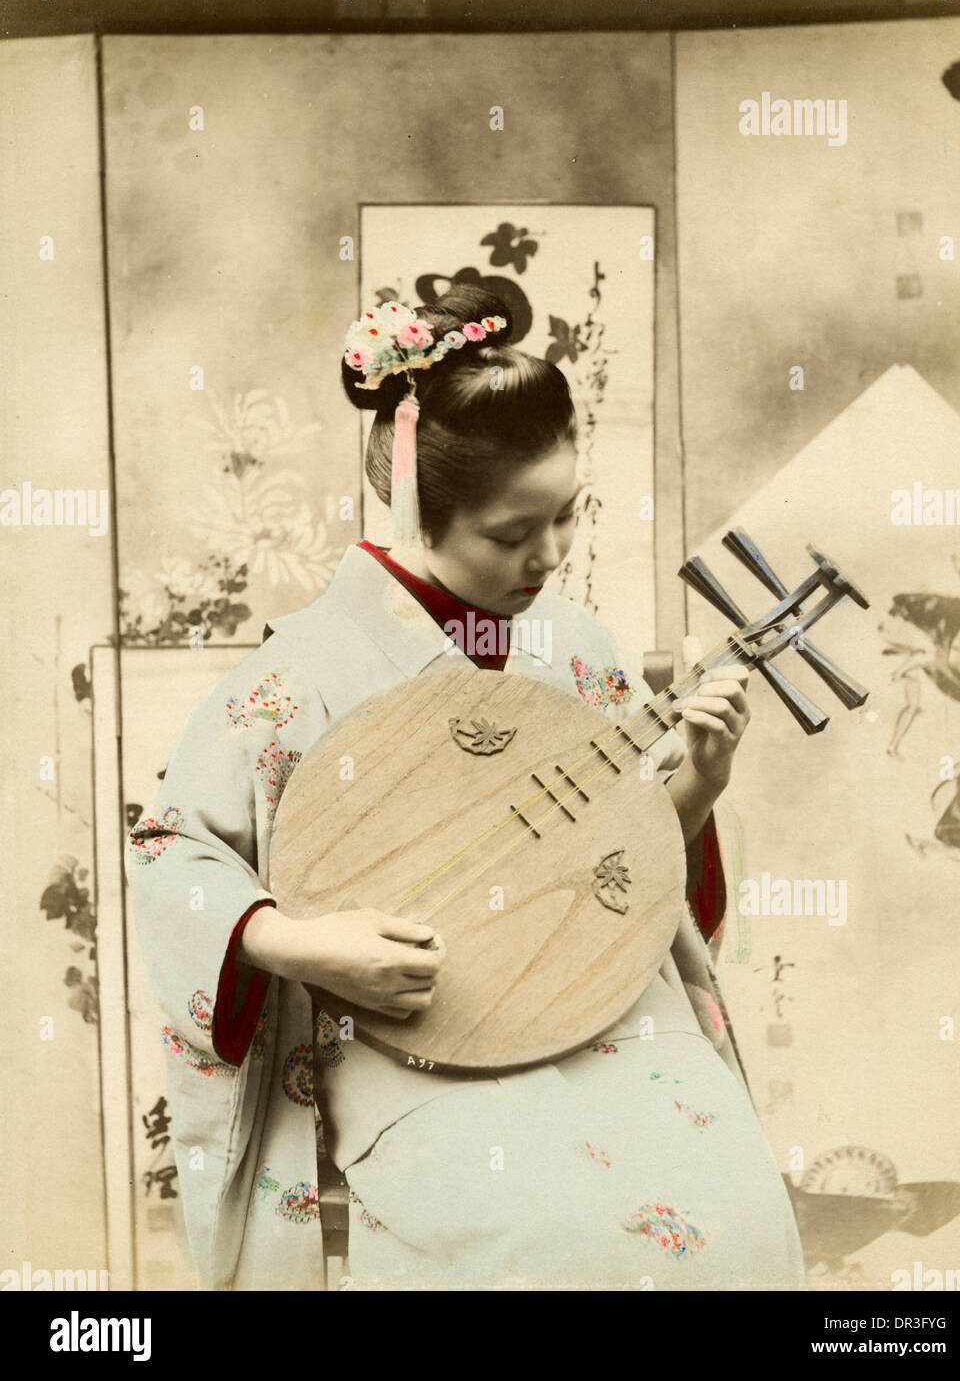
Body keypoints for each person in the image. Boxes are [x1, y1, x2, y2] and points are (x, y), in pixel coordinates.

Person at [129, 282, 806, 1291]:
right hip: (410, 1043)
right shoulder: (299, 675)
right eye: (508, 533)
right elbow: (172, 855)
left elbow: (622, 869)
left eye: (565, 518)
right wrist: (300, 942)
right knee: (547, 1242)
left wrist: (699, 787)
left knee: (740, 1215)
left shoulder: (572, 648)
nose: (549, 556)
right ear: (416, 503)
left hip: (598, 1014)